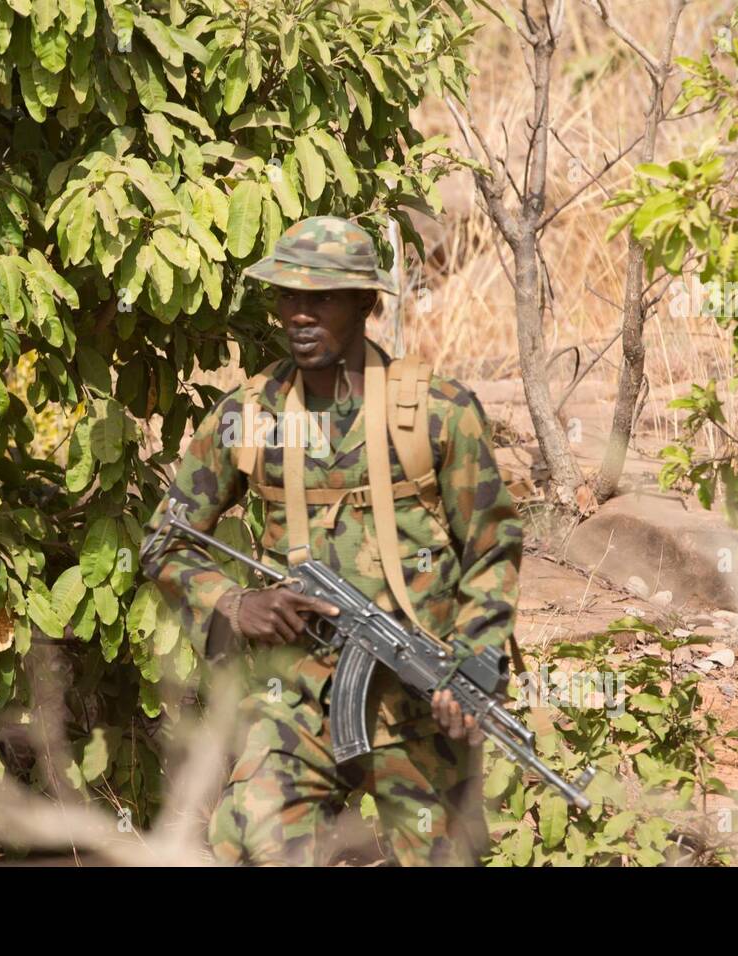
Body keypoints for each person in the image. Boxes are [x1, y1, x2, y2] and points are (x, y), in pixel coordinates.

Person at [143, 215, 523, 865]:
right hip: (291, 700)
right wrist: (234, 605)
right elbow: (164, 543)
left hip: (419, 704)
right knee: (251, 840)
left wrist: (475, 669)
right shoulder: (248, 417)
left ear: (366, 303)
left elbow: (491, 546)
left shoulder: (438, 411)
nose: (299, 313)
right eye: (289, 297)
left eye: (321, 297)